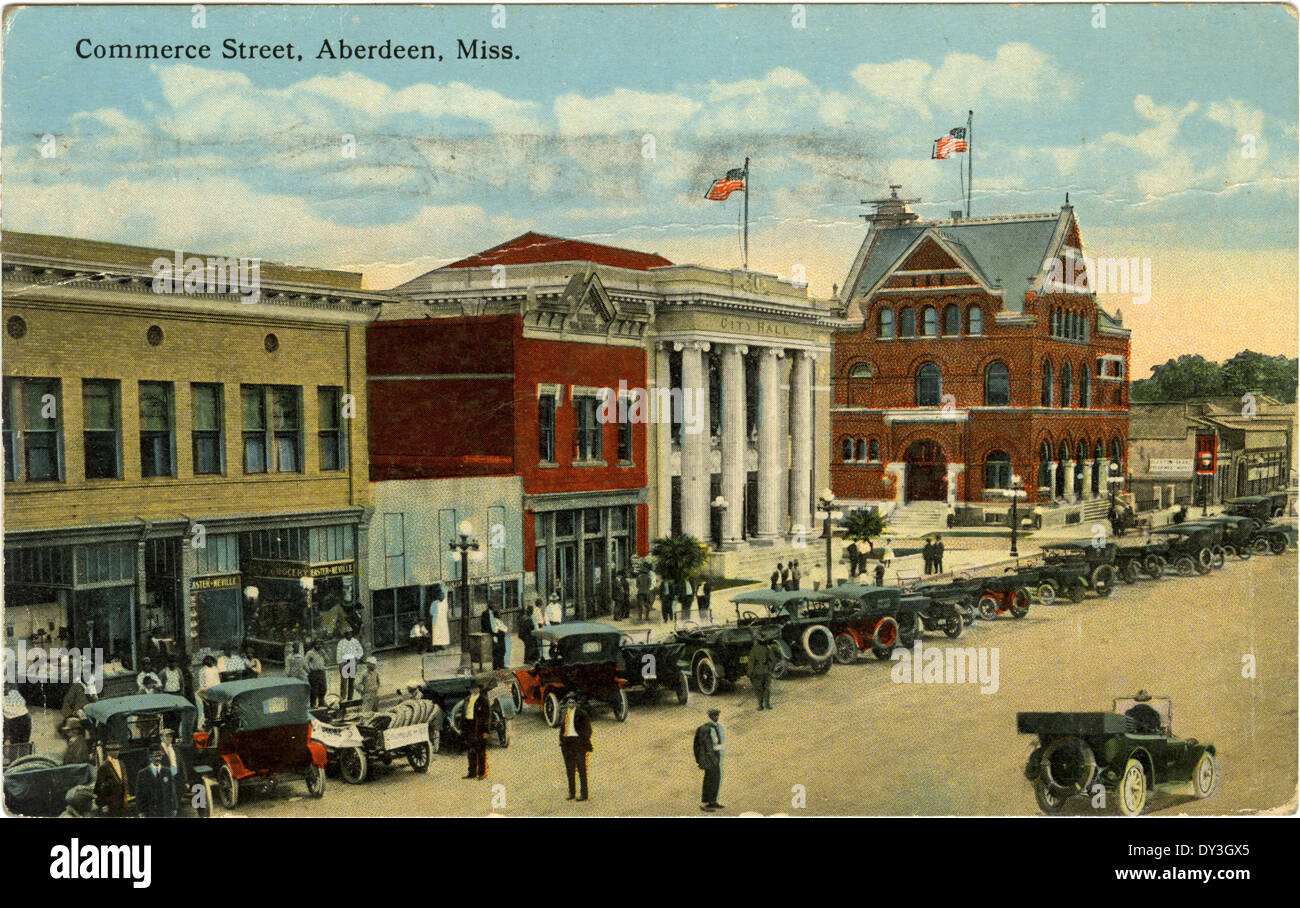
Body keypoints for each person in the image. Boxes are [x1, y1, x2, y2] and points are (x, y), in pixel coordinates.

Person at [558, 694, 593, 802]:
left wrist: (582, 740)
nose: (571, 704)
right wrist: (561, 740)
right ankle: (572, 793)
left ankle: (584, 794)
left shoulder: (582, 714)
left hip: (578, 743)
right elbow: (562, 728)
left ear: (576, 703)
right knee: (570, 770)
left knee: (582, 770)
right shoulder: (564, 713)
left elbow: (588, 730)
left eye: (573, 702)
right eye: (569, 702)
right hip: (567, 744)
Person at [693, 708, 725, 811]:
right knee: (711, 779)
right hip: (710, 757)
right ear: (711, 716)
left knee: (715, 778)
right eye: (715, 716)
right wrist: (713, 759)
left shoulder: (714, 727)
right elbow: (706, 746)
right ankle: (708, 802)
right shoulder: (707, 728)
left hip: (714, 755)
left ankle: (713, 801)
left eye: (717, 715)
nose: (717, 717)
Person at [135, 746, 180, 818]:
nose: (158, 758)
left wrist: (174, 807)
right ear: (150, 757)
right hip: (150, 811)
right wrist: (141, 811)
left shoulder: (167, 771)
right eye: (155, 756)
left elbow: (172, 791)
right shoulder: (142, 774)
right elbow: (139, 794)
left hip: (165, 810)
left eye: (160, 755)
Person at [463, 681, 490, 780]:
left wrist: (485, 731)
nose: (474, 690)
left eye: (476, 688)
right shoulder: (467, 699)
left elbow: (486, 716)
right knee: (471, 751)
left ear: (479, 689)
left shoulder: (483, 700)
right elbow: (464, 713)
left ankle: (481, 774)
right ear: (470, 690)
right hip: (469, 725)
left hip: (478, 726)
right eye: (472, 688)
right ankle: (472, 773)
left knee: (481, 751)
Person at [94, 743, 130, 817]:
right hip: (111, 803)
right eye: (113, 750)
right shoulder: (104, 766)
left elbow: (124, 782)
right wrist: (103, 804)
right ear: (108, 752)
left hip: (122, 802)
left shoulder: (121, 763)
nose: (116, 752)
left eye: (117, 750)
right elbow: (99, 788)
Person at [748, 637, 774, 710]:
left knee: (758, 689)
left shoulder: (754, 649)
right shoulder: (768, 649)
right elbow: (773, 660)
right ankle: (767, 705)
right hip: (766, 670)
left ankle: (760, 706)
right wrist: (769, 668)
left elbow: (751, 662)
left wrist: (750, 673)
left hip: (757, 671)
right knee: (766, 688)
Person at [337, 632, 364, 702]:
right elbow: (338, 653)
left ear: (352, 634)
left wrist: (357, 658)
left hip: (352, 661)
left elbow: (360, 651)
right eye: (347, 633)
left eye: (350, 633)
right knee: (344, 681)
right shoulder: (341, 642)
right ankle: (343, 697)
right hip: (344, 662)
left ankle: (350, 697)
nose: (348, 635)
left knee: (352, 680)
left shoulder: (355, 641)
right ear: (345, 634)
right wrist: (340, 663)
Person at [198, 655, 222, 724]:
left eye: (211, 661)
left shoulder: (215, 668)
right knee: (209, 706)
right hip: (208, 690)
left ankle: (216, 718)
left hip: (216, 689)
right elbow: (201, 683)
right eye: (208, 661)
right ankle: (209, 720)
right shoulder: (202, 670)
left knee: (217, 706)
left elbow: (218, 679)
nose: (210, 662)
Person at [306, 642, 328, 709]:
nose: (319, 645)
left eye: (320, 644)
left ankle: (321, 702)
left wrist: (324, 654)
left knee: (323, 688)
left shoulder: (322, 652)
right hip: (314, 672)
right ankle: (313, 704)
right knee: (314, 689)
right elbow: (305, 662)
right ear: (314, 645)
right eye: (317, 644)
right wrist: (309, 671)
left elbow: (327, 660)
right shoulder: (310, 653)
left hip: (321, 672)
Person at [430, 585, 451, 650]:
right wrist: (436, 617)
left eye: (443, 595)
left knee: (443, 633)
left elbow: (446, 611)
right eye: (441, 595)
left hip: (443, 621)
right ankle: (436, 646)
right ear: (438, 596)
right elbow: (431, 612)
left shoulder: (445, 604)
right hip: (436, 621)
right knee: (436, 633)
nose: (442, 597)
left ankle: (441, 645)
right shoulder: (434, 603)